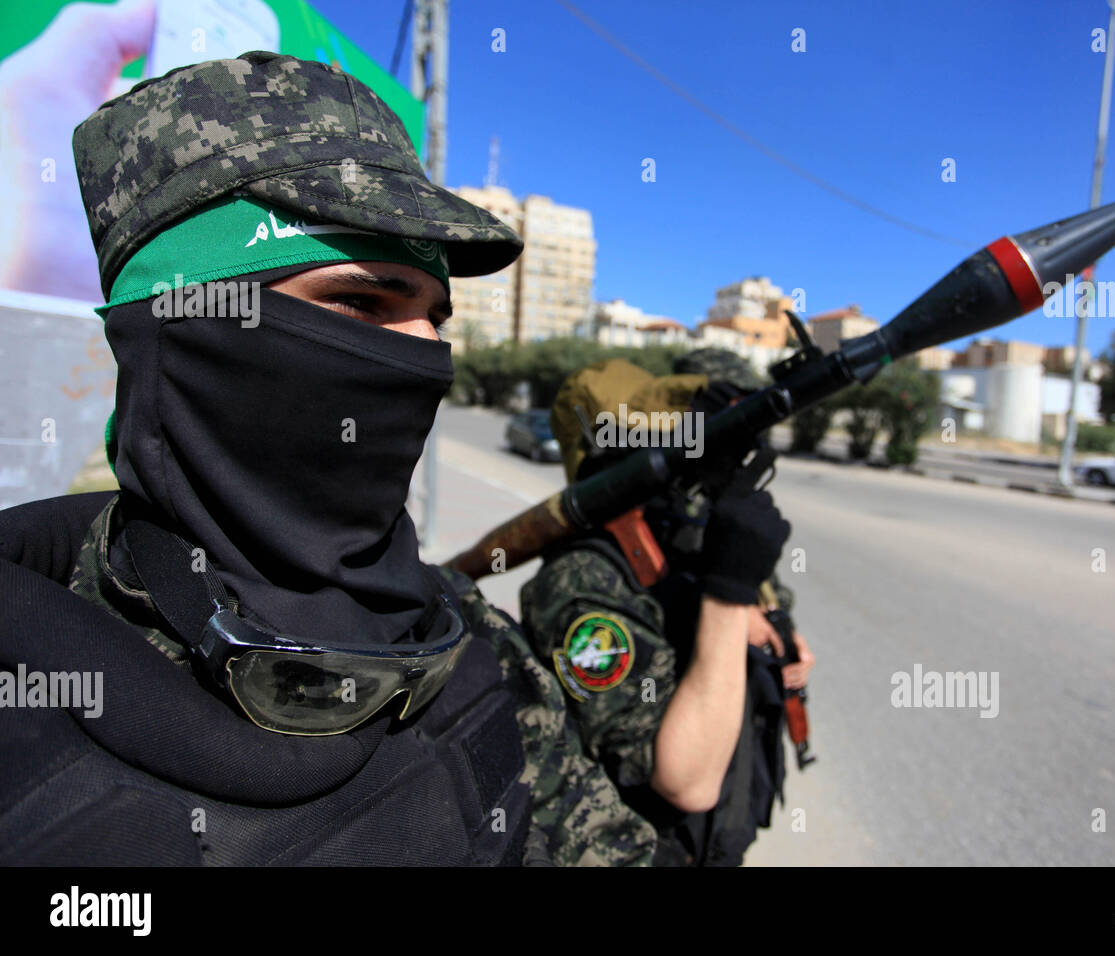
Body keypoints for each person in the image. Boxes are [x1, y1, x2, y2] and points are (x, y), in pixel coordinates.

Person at [0, 52, 655, 866]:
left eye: (434, 317)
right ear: (184, 321)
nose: (428, 353)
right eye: (362, 303)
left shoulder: (463, 629)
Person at [518, 350, 814, 866]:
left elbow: (756, 610)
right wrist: (728, 596)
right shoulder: (582, 581)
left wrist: (778, 634)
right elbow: (686, 783)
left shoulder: (683, 542)